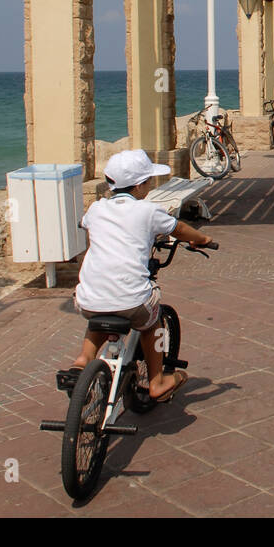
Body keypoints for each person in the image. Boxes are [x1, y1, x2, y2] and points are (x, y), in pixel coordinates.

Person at [68, 150, 214, 402]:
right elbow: (178, 228)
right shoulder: (147, 211)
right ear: (138, 186)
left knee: (100, 310)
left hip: (87, 298)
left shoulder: (96, 209)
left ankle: (83, 359)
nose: (149, 185)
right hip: (132, 301)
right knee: (150, 321)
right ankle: (157, 381)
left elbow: (85, 223)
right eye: (148, 181)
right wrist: (203, 239)